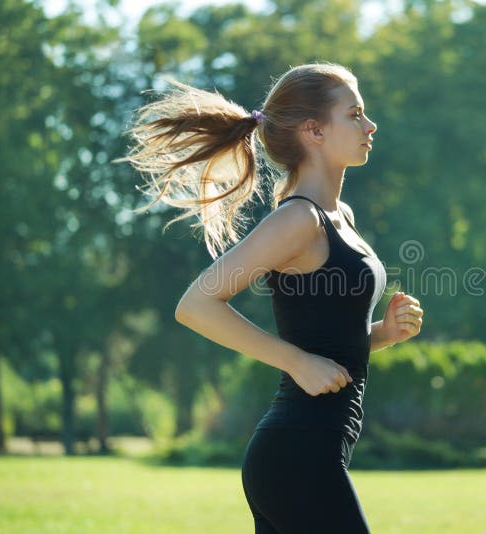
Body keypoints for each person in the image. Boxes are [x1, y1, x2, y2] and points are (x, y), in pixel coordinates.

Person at [119, 62, 425, 533]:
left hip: (306, 455)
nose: (370, 125)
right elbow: (196, 305)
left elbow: (331, 345)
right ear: (313, 131)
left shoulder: (339, 215)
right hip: (296, 458)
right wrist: (296, 362)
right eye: (355, 114)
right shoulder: (298, 220)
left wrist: (383, 333)